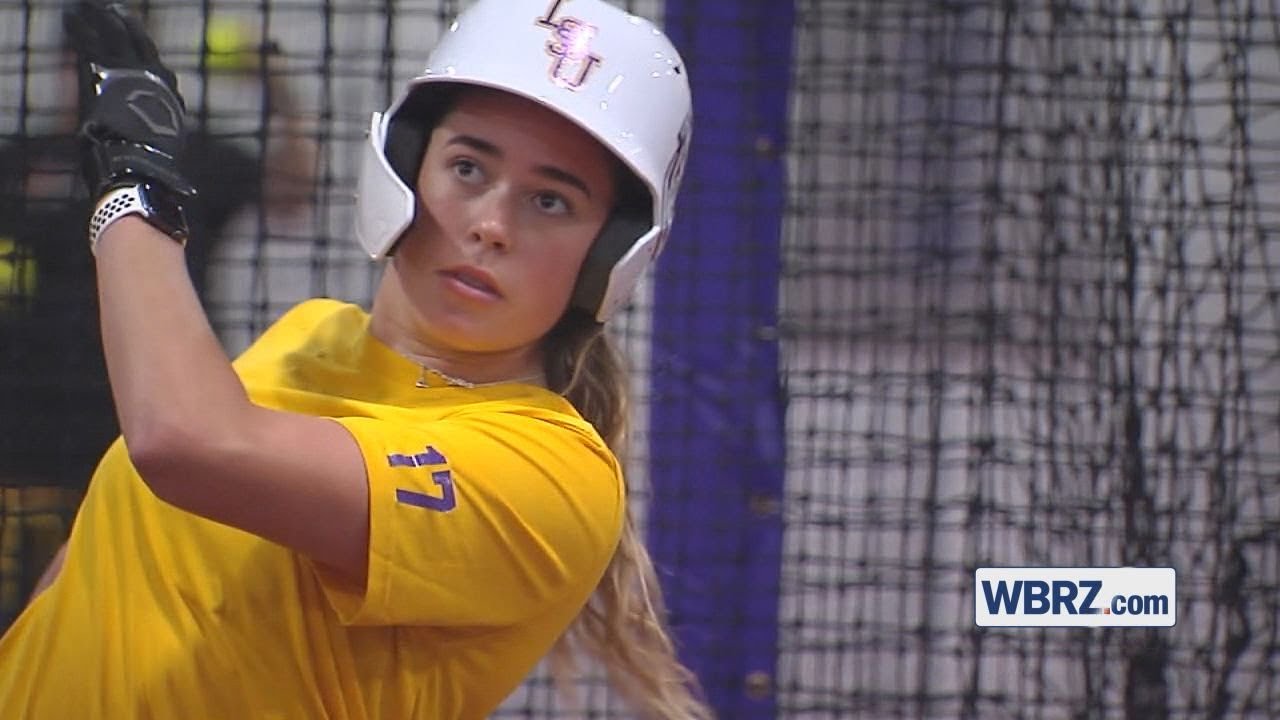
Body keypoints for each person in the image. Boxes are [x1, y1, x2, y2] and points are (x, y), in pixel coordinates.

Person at [0, 0, 707, 718]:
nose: (491, 225)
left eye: (551, 202)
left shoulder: (551, 476)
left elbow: (186, 444)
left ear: (609, 259)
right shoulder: (311, 333)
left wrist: (132, 191)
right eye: (467, 167)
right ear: (402, 167)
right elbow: (107, 552)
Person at [0, 11, 314, 626]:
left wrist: (276, 83)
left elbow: (291, 190)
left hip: (143, 446)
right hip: (23, 447)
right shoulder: (23, 161)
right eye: (78, 65)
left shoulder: (190, 159)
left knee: (120, 625)